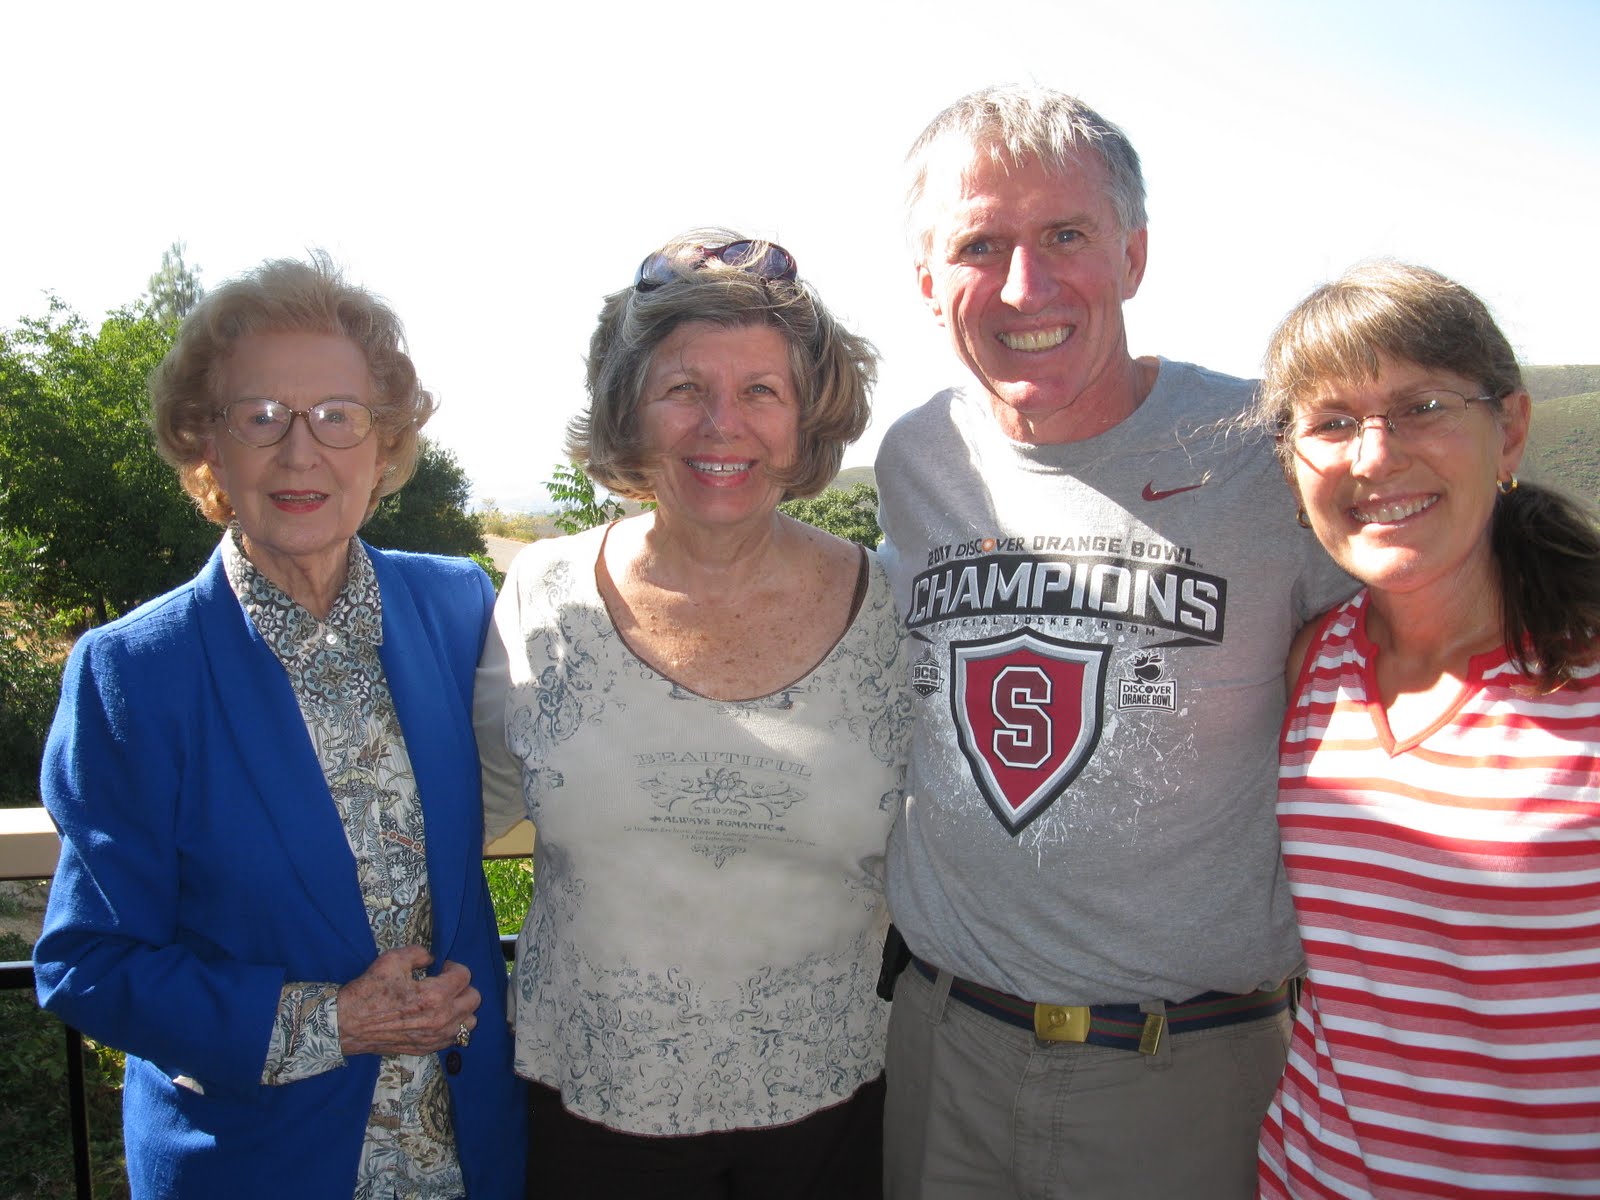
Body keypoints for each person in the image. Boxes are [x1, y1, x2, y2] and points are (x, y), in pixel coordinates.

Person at [872, 84, 1353, 1198]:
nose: (1024, 287)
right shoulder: (913, 461)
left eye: (1066, 236)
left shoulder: (1265, 450)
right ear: (927, 283)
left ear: (1133, 255)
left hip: (1187, 1073)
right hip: (944, 1056)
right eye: (978, 246)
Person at [33, 256, 526, 1199]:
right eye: (260, 417)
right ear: (206, 447)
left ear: (384, 449)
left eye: (339, 416)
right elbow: (86, 962)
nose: (301, 453)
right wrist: (329, 1021)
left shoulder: (458, 606)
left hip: (468, 1157)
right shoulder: (136, 672)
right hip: (256, 1163)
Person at [474, 229, 912, 1199]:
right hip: (585, 1120)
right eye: (682, 390)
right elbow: (460, 815)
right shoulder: (540, 594)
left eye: (761, 390)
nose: (723, 425)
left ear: (807, 422)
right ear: (629, 413)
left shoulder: (894, 610)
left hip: (836, 1123)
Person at [1250, 260, 1600, 1197]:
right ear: (1293, 467)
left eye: (1422, 406)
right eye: (1330, 423)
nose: (1374, 456)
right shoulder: (1315, 665)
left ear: (1511, 428)